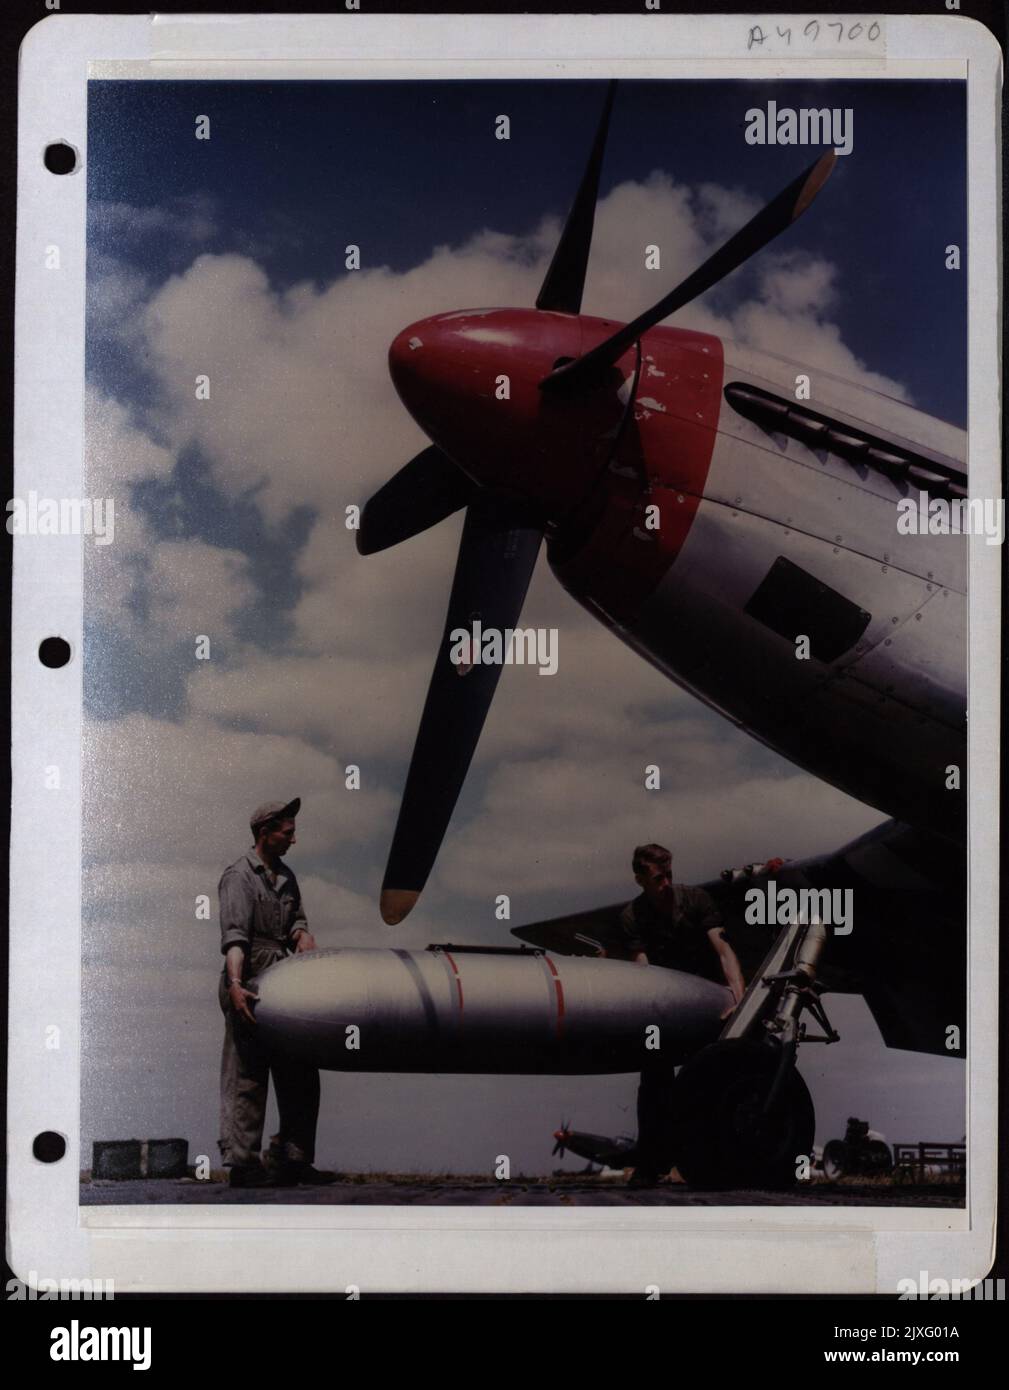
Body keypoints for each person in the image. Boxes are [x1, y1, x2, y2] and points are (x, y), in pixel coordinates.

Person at [217, 797, 335, 1188]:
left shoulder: (287, 877)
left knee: (301, 1069)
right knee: (248, 1073)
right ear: (264, 833)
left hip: (286, 978)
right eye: (287, 833)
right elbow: (235, 940)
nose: (293, 840)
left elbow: (297, 921)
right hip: (249, 978)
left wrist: (302, 936)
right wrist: (235, 986)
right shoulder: (238, 877)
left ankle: (294, 1160)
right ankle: (243, 1165)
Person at [615, 843, 746, 1188]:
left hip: (709, 1004)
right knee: (654, 1082)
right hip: (665, 1007)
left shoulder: (697, 901)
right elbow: (643, 973)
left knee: (706, 1085)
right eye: (658, 878)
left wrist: (739, 999)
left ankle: (703, 1164)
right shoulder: (632, 917)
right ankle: (650, 1164)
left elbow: (723, 949)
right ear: (639, 879)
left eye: (669, 874)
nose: (667, 883)